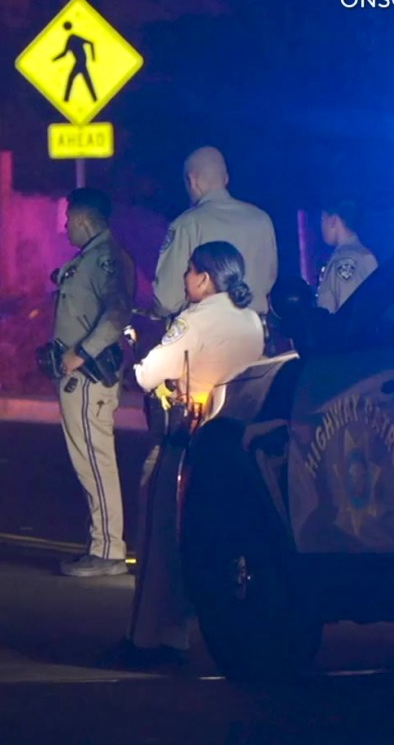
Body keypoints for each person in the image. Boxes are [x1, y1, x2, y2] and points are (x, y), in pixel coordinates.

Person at [113, 240, 265, 666]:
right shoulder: (251, 320)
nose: (184, 277)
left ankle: (148, 642)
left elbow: (148, 375)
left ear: (206, 277)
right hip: (235, 447)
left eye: (189, 270)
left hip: (184, 441)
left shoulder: (194, 320)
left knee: (160, 543)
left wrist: (136, 350)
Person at [48, 187, 135, 577]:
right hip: (78, 374)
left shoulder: (105, 261)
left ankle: (108, 550)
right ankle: (102, 544)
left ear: (83, 219)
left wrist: (81, 354)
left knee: (95, 463)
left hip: (88, 376)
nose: (66, 228)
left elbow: (116, 315)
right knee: (89, 462)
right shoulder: (90, 259)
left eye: (69, 221)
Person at [153, 147, 278, 320]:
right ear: (225, 179)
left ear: (192, 180)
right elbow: (269, 279)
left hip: (206, 334)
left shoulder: (187, 224)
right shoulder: (262, 219)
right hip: (255, 333)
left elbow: (167, 299)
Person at [316, 198, 378, 313]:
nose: (321, 226)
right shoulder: (360, 254)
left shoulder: (346, 260)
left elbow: (348, 317)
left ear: (333, 220)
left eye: (322, 219)